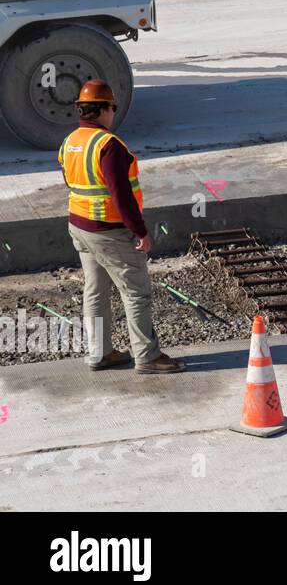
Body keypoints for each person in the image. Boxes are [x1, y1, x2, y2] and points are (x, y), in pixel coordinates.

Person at [57, 80, 184, 374]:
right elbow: (121, 194)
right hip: (108, 230)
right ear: (102, 109)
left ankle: (99, 353)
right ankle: (148, 357)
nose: (113, 113)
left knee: (95, 290)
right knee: (136, 292)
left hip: (79, 226)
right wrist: (139, 231)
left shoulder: (70, 141)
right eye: (112, 107)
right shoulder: (108, 145)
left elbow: (71, 182)